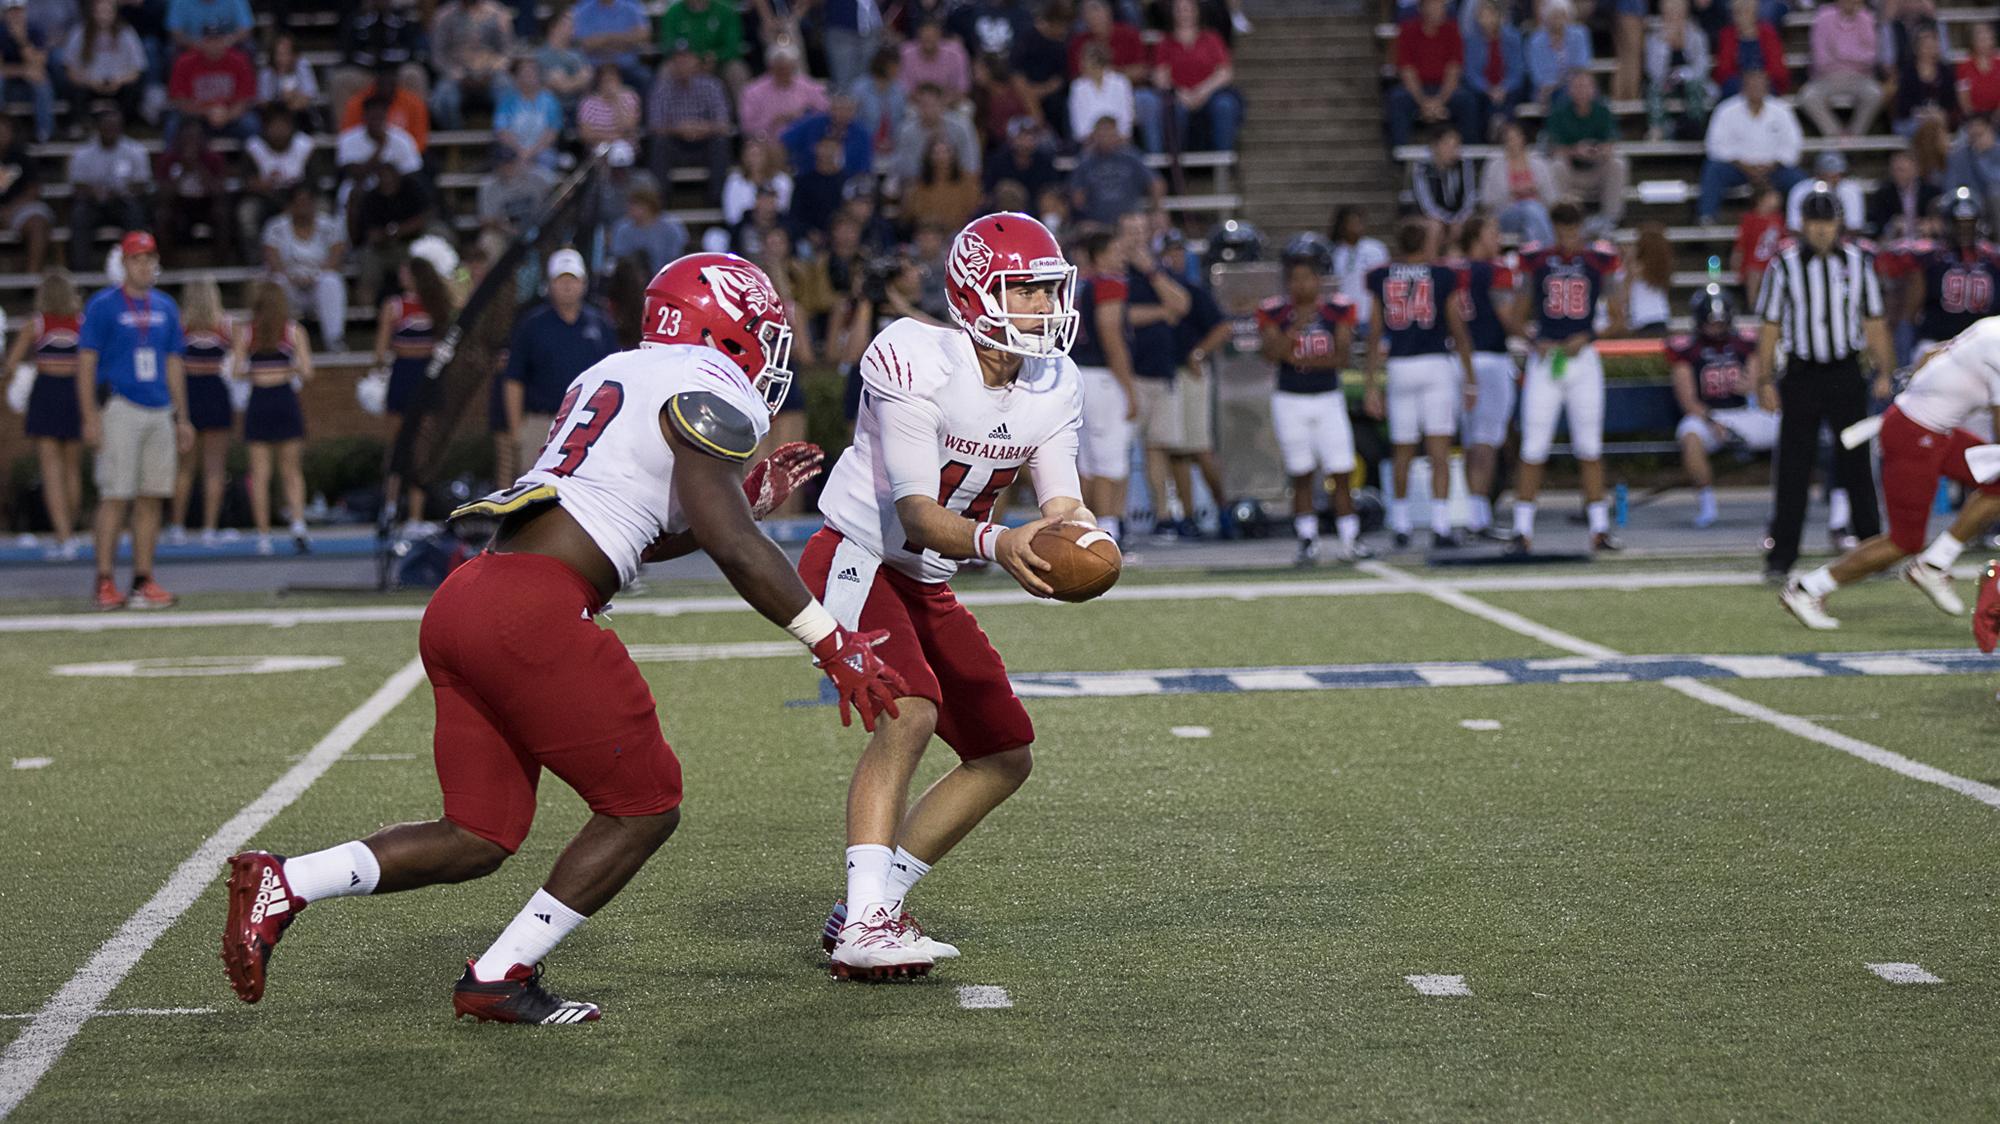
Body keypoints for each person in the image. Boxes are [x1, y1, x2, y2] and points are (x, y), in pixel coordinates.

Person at [222, 253, 908, 1020]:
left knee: (478, 833)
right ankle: (499, 974)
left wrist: (743, 497)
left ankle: (289, 880)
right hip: (534, 611)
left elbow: (629, 531)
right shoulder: (706, 384)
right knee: (646, 804)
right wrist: (827, 636)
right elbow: (730, 542)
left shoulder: (608, 372)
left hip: (470, 597)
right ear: (725, 328)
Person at [803, 212, 1096, 979]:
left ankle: (870, 905)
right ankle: (868, 923)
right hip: (857, 553)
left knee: (1003, 753)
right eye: (1023, 290)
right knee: (911, 712)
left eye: (1047, 290)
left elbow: (1061, 498)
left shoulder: (1056, 382)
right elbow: (916, 511)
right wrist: (1002, 543)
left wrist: (1084, 535)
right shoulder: (912, 356)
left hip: (928, 578)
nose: (1042, 307)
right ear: (974, 294)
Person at [1781, 316, 2000, 629]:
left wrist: (1926, 398)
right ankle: (1807, 589)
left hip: (1928, 427)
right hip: (1916, 434)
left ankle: (1936, 561)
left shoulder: (1992, 327)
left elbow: (1929, 356)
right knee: (1904, 541)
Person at [1757, 186, 1892, 582]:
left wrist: (1884, 370)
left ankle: (1872, 549)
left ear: (1838, 224)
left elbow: (1874, 321)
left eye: (1827, 222)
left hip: (1845, 373)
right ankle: (1781, 557)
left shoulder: (1857, 262)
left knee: (1857, 465)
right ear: (1802, 225)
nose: (1820, 230)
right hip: (1801, 374)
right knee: (1793, 469)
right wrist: (1765, 379)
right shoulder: (1782, 266)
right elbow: (1769, 326)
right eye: (1814, 222)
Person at [77, 231, 187, 610]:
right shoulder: (103, 305)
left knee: (151, 496)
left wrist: (181, 415)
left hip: (158, 406)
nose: (145, 265)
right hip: (119, 405)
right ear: (124, 263)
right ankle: (104, 580)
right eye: (138, 258)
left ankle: (143, 579)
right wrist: (90, 415)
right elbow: (87, 362)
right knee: (114, 495)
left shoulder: (166, 306)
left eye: (150, 258)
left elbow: (174, 362)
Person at [1510, 201, 1626, 553]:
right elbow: (1516, 315)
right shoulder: (1538, 261)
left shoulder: (1597, 260)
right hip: (1547, 360)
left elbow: (1620, 319)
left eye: (1572, 229)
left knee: (1589, 446)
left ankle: (1599, 529)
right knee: (1533, 446)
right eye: (1561, 229)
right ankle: (1521, 530)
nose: (1567, 236)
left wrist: (1588, 336)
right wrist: (1534, 338)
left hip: (1581, 359)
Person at [1258, 234, 1368, 564]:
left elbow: (1341, 357)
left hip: (1326, 396)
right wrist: (1293, 333)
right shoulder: (1275, 312)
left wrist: (1296, 357)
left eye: (1307, 277)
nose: (1301, 284)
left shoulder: (1338, 310)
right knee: (1301, 472)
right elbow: (1271, 354)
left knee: (1342, 470)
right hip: (1290, 398)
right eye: (1295, 278)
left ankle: (1350, 538)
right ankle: (1307, 538)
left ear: (1319, 280)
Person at [1365, 218, 1475, 550]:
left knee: (1403, 450)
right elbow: (1457, 326)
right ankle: (1440, 524)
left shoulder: (1381, 276)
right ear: (1425, 244)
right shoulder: (1442, 275)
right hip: (1435, 363)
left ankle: (1401, 522)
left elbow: (1372, 334)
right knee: (1438, 449)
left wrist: (1372, 383)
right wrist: (1470, 376)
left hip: (1399, 366)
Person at [504, 249, 619, 476]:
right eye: (561, 279)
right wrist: (516, 430)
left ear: (584, 283)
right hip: (541, 421)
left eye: (572, 279)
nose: (567, 286)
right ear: (550, 284)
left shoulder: (600, 324)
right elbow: (514, 378)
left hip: (588, 422)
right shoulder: (532, 325)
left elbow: (615, 376)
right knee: (533, 489)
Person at [1671, 286, 1770, 529]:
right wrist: (1712, 421)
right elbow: (1688, 401)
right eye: (1712, 323)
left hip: (1744, 413)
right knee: (1690, 436)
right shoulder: (1687, 350)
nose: (1717, 328)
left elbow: (1759, 386)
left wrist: (1751, 387)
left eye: (1720, 322)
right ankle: (1707, 507)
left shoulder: (1744, 344)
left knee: (1790, 431)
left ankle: (1786, 505)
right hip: (1708, 415)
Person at [372, 246, 456, 523]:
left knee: (423, 449)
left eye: (407, 271)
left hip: (428, 376)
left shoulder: (438, 303)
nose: (402, 275)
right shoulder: (394, 306)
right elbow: (381, 349)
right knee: (397, 444)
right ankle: (390, 506)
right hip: (403, 375)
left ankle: (416, 517)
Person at [1156, 231, 1231, 537]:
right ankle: (1188, 517)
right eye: (1168, 252)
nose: (1173, 258)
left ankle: (1224, 508)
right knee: (1177, 451)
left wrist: (1199, 352)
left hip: (1190, 374)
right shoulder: (1156, 290)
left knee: (1200, 448)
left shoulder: (1192, 289)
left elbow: (1222, 327)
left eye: (1178, 251)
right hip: (1166, 374)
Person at [1450, 217, 1518, 540]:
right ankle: (1479, 516)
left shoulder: (1452, 270)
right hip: (1489, 359)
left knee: (1469, 441)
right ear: (1477, 236)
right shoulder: (1496, 270)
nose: (1498, 238)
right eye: (1493, 232)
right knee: (1486, 442)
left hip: (1457, 361)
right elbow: (1506, 316)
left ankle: (1473, 513)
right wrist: (1530, 334)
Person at [234, 283, 313, 555]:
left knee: (260, 474)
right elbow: (307, 370)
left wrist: (259, 371)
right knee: (291, 470)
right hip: (283, 399)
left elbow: (236, 370)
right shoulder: (293, 331)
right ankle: (298, 525)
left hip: (260, 400)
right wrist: (286, 367)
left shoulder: (247, 333)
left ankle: (264, 536)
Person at [1070, 226, 1137, 544]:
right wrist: (1129, 388)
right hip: (1102, 378)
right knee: (1108, 461)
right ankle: (1108, 533)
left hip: (1079, 375)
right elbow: (1111, 336)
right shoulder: (1108, 284)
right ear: (1100, 256)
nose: (1121, 256)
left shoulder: (1080, 286)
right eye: (1115, 251)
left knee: (1087, 462)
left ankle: (1082, 531)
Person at [11, 270, 84, 558]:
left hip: (47, 393)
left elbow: (12, 363)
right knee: (72, 469)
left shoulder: (36, 324)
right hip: (74, 393)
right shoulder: (82, 324)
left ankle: (63, 536)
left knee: (52, 471)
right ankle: (71, 534)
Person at [1883, 189, 2000, 360]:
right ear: (1947, 223)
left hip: (1981, 346)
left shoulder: (1993, 260)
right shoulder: (1930, 257)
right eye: (1959, 224)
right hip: (1937, 344)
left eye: (1969, 224)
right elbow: (1909, 311)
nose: (1964, 231)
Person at [1697, 68, 1805, 227]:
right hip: (1738, 169)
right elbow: (1715, 145)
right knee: (1713, 169)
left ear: (1767, 86)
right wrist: (1743, 165)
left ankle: (1798, 222)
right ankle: (1706, 216)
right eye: (1751, 84)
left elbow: (1793, 144)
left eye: (1760, 84)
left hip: (1774, 169)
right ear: (1743, 87)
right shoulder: (1726, 110)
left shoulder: (1781, 110)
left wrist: (1772, 165)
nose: (1756, 88)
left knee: (1799, 180)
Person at [168, 277, 232, 544]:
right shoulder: (226, 326)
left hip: (188, 394)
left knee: (185, 467)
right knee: (214, 468)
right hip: (215, 392)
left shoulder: (179, 326)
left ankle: (177, 527)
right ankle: (209, 529)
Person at [66, 105, 150, 271]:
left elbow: (142, 184)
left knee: (136, 213)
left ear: (121, 128)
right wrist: (94, 191)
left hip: (123, 202)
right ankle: (81, 273)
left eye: (115, 126)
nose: (111, 130)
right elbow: (77, 185)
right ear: (98, 127)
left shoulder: (135, 150)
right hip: (93, 203)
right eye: (106, 126)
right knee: (79, 215)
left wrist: (121, 191)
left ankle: (136, 268)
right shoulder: (82, 153)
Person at [1151, 0, 1242, 153]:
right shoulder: (1165, 42)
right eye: (1179, 10)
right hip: (1179, 96)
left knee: (1225, 105)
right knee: (1174, 110)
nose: (1184, 13)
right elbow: (1160, 77)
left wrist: (1202, 91)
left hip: (1209, 94)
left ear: (1197, 12)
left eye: (1188, 9)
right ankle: (1176, 161)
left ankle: (1223, 159)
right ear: (1173, 13)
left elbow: (1225, 72)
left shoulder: (1212, 38)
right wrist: (1181, 93)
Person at [647, 39, 733, 200]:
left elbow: (724, 124)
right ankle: (660, 198)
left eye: (687, 58)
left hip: (704, 144)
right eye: (678, 59)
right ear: (671, 63)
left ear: (696, 61)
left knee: (721, 142)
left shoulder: (712, 86)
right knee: (659, 143)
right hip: (676, 145)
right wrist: (679, 129)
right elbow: (654, 125)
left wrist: (701, 128)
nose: (682, 63)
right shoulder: (662, 88)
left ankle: (717, 197)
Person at [1388, 0, 1476, 149]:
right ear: (1423, 9)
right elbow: (1407, 71)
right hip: (1417, 89)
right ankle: (1400, 159)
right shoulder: (1408, 31)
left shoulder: (1452, 30)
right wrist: (1423, 102)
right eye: (1435, 5)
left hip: (1445, 89)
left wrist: (1440, 101)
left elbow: (1454, 70)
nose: (1440, 10)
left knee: (1467, 101)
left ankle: (1470, 158)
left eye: (1442, 6)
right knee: (1397, 99)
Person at [1548, 71, 1628, 228]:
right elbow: (1553, 148)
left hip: (1596, 169)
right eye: (1577, 87)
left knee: (1618, 163)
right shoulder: (1559, 113)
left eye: (1585, 86)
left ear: (1593, 89)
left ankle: (1611, 220)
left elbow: (1611, 143)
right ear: (1570, 90)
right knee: (1556, 165)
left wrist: (1596, 151)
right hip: (1571, 170)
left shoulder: (1603, 111)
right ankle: (1564, 218)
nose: (1581, 91)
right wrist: (1576, 151)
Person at [1800, 0, 1883, 138]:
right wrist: (1855, 54)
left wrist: (1840, 52)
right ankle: (1836, 135)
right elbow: (1821, 61)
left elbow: (1870, 58)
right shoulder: (1823, 18)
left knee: (1875, 94)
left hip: (1859, 77)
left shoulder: (1866, 18)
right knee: (1808, 97)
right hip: (1827, 77)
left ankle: (1854, 135)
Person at [428, 0, 514, 130]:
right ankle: (456, 140)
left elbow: (507, 53)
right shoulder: (444, 15)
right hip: (455, 75)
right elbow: (438, 56)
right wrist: (458, 75)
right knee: (443, 100)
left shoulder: (498, 14)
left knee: (508, 94)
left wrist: (490, 72)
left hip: (491, 75)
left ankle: (502, 140)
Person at [60, 0, 147, 127]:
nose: (103, 16)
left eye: (107, 12)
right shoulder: (79, 32)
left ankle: (127, 124)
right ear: (92, 13)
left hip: (118, 84)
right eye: (99, 12)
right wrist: (89, 82)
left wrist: (119, 81)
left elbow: (138, 69)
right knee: (73, 89)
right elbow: (69, 69)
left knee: (134, 89)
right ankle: (80, 125)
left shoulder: (127, 33)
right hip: (89, 84)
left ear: (114, 13)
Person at [1068, 115, 1160, 226]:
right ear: (1095, 136)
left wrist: (1156, 211)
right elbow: (1077, 197)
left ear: (1117, 135)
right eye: (1102, 134)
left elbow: (1156, 183)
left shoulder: (1131, 157)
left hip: (1129, 221)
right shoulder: (1085, 161)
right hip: (1096, 223)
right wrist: (1083, 218)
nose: (1106, 138)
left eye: (1109, 134)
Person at [1645, 0, 1712, 142]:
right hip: (1666, 83)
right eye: (1670, 10)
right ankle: (1658, 128)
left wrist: (1682, 74)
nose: (1674, 15)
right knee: (1654, 89)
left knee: (1695, 86)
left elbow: (1701, 68)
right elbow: (1654, 72)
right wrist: (1665, 45)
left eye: (1677, 10)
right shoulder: (1655, 38)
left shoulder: (1696, 35)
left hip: (1690, 81)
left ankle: (1696, 125)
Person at [1482, 119, 1556, 247]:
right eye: (1508, 138)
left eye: (1516, 137)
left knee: (1532, 218)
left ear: (1523, 138)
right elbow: (1487, 200)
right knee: (1530, 208)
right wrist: (1512, 192)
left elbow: (1553, 199)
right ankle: (1547, 253)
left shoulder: (1539, 163)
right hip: (1506, 215)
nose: (1512, 142)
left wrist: (1536, 190)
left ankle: (1534, 253)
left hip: (1537, 214)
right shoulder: (1494, 165)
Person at [737, 40, 827, 142]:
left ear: (793, 67)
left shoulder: (809, 87)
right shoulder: (752, 91)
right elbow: (747, 128)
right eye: (779, 68)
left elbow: (824, 113)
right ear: (770, 67)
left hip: (803, 141)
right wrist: (774, 121)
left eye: (787, 68)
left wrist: (803, 117)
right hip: (768, 143)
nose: (783, 72)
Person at [1463, 0, 1524, 140]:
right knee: (1473, 101)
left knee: (1509, 98)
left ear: (1498, 16)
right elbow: (1471, 72)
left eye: (1488, 14)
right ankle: (1483, 141)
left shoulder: (1512, 37)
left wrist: (1504, 88)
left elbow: (1517, 70)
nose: (1485, 19)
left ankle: (1503, 133)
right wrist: (1488, 89)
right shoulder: (1472, 40)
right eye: (1481, 15)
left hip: (1507, 88)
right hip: (1483, 89)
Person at [0, 113, 50, 275]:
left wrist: (10, 209)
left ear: (11, 132)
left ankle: (31, 278)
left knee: (38, 222)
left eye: (3, 128)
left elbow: (34, 190)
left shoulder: (22, 157)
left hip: (17, 210)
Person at [1329, 205, 1390, 334]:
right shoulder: (1334, 253)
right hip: (1344, 315)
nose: (1355, 227)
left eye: (1358, 222)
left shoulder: (1377, 249)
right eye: (1351, 223)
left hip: (1370, 313)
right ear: (1342, 226)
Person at [0, 0, 54, 142]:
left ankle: (44, 133)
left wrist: (22, 40)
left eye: (19, 11)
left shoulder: (35, 30)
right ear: (4, 13)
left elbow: (39, 64)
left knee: (42, 83)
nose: (15, 15)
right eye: (11, 11)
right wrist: (24, 71)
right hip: (9, 79)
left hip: (28, 80)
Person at [495, 56, 561, 170]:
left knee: (547, 159)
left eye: (533, 71)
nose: (529, 75)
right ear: (516, 76)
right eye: (525, 71)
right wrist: (520, 151)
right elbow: (501, 130)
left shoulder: (549, 100)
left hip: (541, 150)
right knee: (505, 161)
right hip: (513, 150)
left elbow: (552, 131)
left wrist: (531, 152)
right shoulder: (507, 100)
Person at [1713, 0, 1789, 98]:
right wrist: (1747, 81)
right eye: (1738, 12)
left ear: (1755, 13)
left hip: (1764, 81)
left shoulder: (1768, 33)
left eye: (1746, 11)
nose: (1742, 16)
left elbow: (1777, 68)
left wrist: (1758, 80)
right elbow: (1723, 69)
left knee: (1763, 87)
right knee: (1731, 87)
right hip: (1737, 84)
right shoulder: (1727, 35)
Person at [1525, 0, 1591, 109]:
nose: (1558, 20)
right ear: (1546, 18)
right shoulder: (1536, 41)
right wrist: (1550, 85)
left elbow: (1581, 65)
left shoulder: (1580, 35)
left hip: (1574, 84)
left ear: (1569, 17)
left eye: (1562, 16)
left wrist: (1562, 82)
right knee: (1556, 97)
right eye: (1554, 16)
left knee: (1581, 92)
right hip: (1545, 88)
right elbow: (1536, 72)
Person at [571, 0, 650, 89]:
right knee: (582, 80)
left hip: (627, 65)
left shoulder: (631, 6)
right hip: (595, 66)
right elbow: (585, 43)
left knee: (645, 78)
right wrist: (623, 42)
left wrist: (605, 39)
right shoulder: (583, 9)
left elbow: (643, 35)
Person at [1410, 125, 1476, 232]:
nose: (1452, 150)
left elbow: (1469, 197)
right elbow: (1426, 203)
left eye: (1456, 146)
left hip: (1459, 218)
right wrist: (1447, 220)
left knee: (1467, 226)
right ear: (1435, 146)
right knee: (1434, 228)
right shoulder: (1422, 168)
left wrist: (1459, 218)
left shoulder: (1465, 166)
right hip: (1433, 217)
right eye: (1447, 145)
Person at [1868, 149, 1941, 242]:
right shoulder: (1883, 194)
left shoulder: (1931, 191)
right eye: (1894, 170)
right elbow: (1876, 225)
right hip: (1895, 245)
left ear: (1915, 170)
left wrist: (1930, 225)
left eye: (1902, 170)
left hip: (1925, 244)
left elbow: (1940, 222)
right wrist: (1891, 227)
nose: (1897, 174)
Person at [1068, 40, 1133, 143]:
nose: (1081, 64)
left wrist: (1119, 136)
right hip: (1090, 142)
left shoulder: (1120, 82)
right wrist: (1091, 138)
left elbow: (1126, 115)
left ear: (1097, 62)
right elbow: (1078, 121)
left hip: (1118, 140)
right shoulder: (1078, 86)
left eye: (1084, 60)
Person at [1786, 150, 1867, 231]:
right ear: (1817, 174)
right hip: (1806, 238)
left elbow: (1854, 226)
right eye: (1825, 175)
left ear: (1842, 174)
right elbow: (1794, 227)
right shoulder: (1800, 189)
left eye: (1835, 176)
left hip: (1841, 238)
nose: (1830, 180)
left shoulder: (1851, 190)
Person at [1733, 185, 1785, 306]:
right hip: (1754, 262)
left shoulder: (1779, 219)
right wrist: (1736, 258)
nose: (1777, 199)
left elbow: (1784, 241)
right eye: (1772, 197)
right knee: (1753, 274)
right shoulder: (1750, 219)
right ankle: (1754, 307)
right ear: (1761, 199)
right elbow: (1741, 243)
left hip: (1773, 261)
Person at [899, 17, 969, 99]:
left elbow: (963, 88)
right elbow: (903, 89)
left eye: (932, 36)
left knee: (966, 107)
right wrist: (927, 104)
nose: (928, 40)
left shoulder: (955, 53)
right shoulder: (905, 54)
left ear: (940, 35)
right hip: (916, 103)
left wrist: (941, 104)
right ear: (918, 36)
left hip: (949, 102)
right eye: (925, 37)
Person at [1627, 221, 1673, 333]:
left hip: (1643, 318)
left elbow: (1626, 292)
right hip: (1660, 315)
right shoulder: (1664, 265)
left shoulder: (1637, 268)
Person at [1959, 22, 2000, 120]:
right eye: (1980, 39)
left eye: (1987, 38)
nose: (1984, 42)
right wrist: (1975, 119)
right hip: (1974, 117)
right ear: (1973, 42)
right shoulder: (1964, 67)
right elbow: (1964, 101)